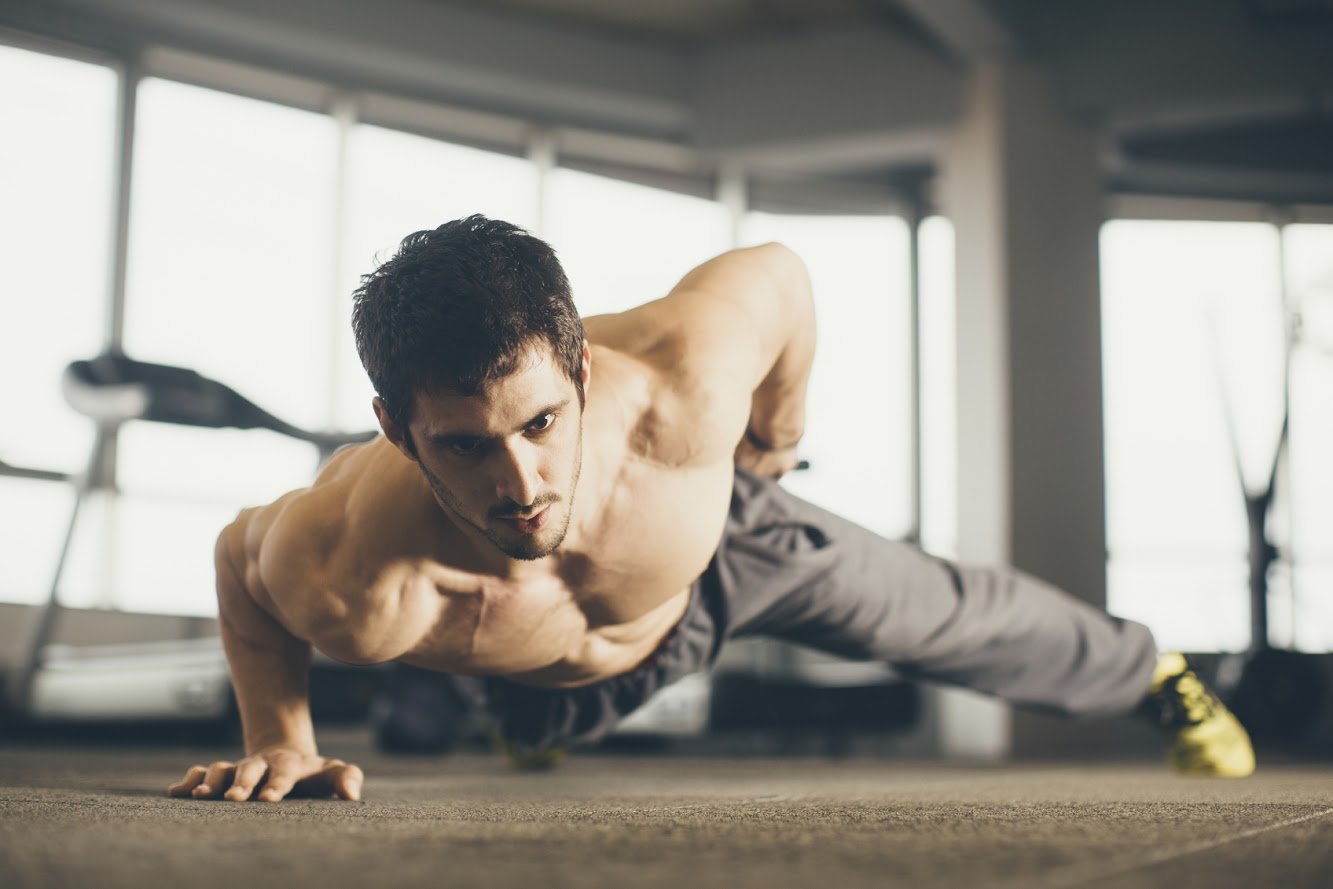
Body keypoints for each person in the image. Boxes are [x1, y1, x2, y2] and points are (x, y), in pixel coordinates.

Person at [169, 215, 1254, 803]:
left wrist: (774, 436)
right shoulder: (349, 565)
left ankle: (1153, 675)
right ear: (395, 428)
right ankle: (536, 723)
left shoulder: (683, 378)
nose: (518, 484)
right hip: (556, 665)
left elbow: (780, 275)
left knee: (938, 607)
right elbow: (236, 559)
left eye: (541, 422)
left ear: (584, 372)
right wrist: (282, 737)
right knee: (540, 714)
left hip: (718, 543)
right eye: (463, 445)